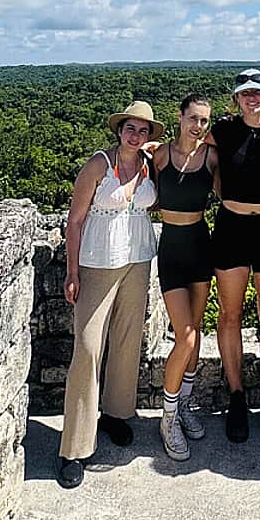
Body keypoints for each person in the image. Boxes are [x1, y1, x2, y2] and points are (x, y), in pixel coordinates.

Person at [57, 101, 163, 488]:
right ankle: (73, 447)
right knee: (86, 348)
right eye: (130, 129)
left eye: (143, 131)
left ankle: (116, 414)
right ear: (119, 131)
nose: (136, 136)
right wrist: (72, 271)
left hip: (137, 260)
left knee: (126, 339)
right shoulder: (98, 165)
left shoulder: (150, 164)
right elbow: (76, 219)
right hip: (97, 264)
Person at [208, 69, 260, 443]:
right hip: (232, 226)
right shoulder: (223, 131)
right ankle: (237, 394)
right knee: (230, 313)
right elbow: (187, 147)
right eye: (245, 93)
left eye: (258, 92)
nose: (252, 98)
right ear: (236, 98)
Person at [152, 94, 219, 461]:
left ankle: (185, 404)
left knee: (196, 332)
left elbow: (232, 190)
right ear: (179, 117)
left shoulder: (211, 157)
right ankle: (168, 417)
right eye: (193, 118)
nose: (198, 126)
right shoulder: (159, 155)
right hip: (172, 249)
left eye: (204, 121)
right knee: (186, 336)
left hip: (200, 244)